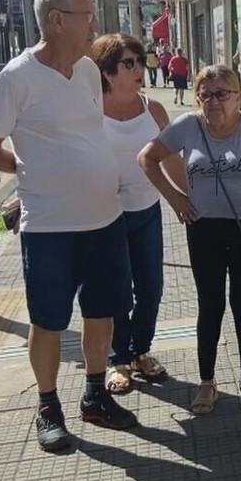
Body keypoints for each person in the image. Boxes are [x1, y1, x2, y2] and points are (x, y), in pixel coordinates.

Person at [0, 0, 137, 452]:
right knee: (49, 321)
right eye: (87, 16)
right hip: (50, 229)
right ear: (57, 19)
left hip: (105, 220)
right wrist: (26, 168)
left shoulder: (85, 70)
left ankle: (95, 394)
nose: (94, 26)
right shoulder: (16, 78)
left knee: (103, 312)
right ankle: (48, 406)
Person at [139, 65, 241, 415]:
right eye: (206, 94)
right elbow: (147, 158)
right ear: (197, 97)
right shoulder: (188, 126)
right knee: (210, 305)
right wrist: (175, 198)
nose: (214, 101)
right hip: (203, 229)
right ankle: (207, 382)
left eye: (223, 94)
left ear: (238, 96)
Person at [91, 33, 174, 394]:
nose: (139, 68)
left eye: (140, 61)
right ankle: (119, 359)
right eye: (129, 63)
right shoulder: (90, 110)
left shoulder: (152, 109)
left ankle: (141, 350)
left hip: (147, 210)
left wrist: (190, 197)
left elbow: (173, 157)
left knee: (151, 288)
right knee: (116, 292)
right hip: (106, 216)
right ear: (107, 71)